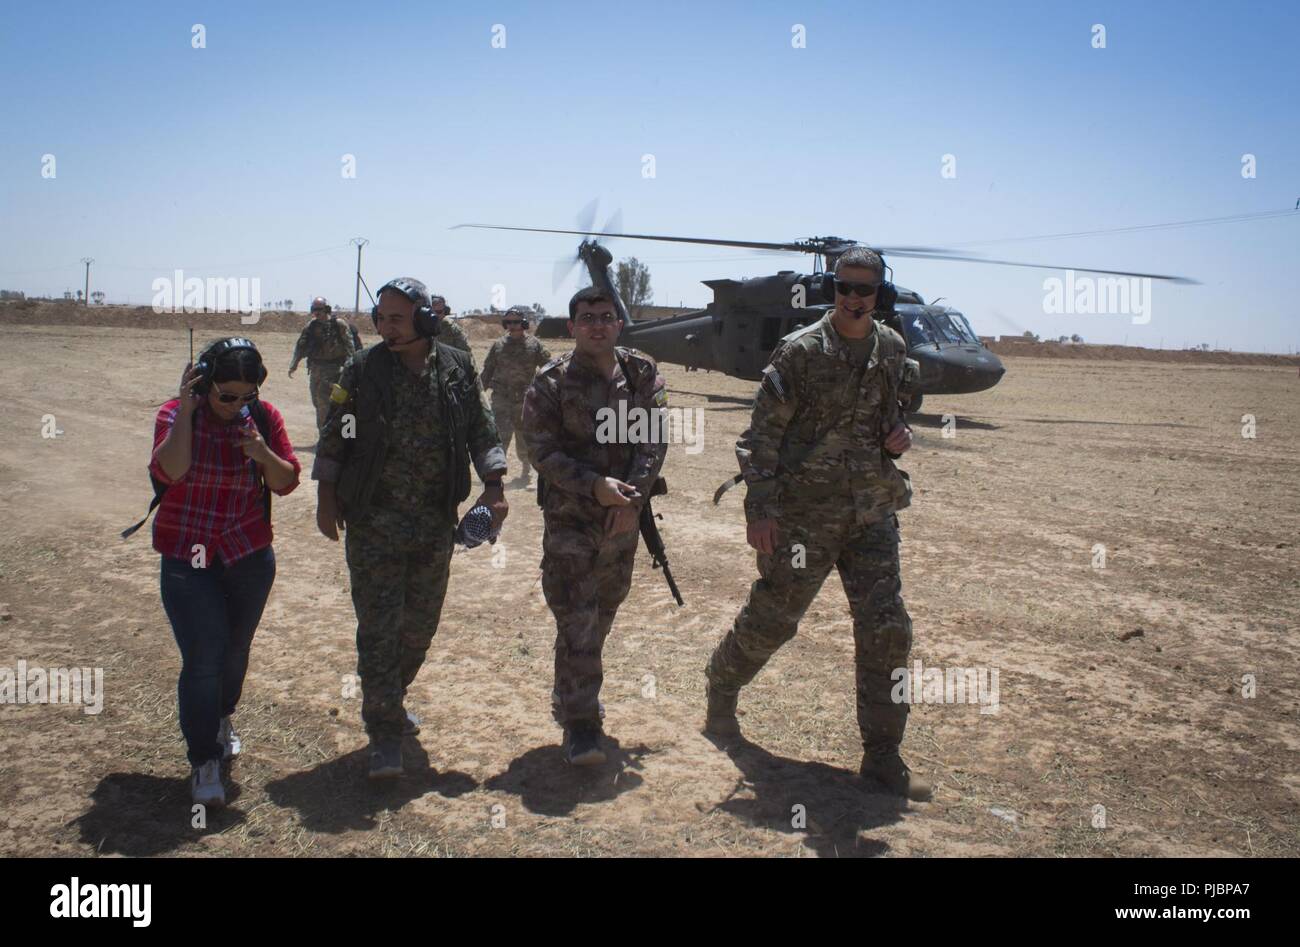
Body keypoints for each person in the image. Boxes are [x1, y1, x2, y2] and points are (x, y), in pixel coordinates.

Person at [702, 245, 932, 801]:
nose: (854, 298)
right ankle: (722, 688)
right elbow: (761, 438)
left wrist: (898, 437)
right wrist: (760, 511)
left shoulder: (893, 349)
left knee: (887, 630)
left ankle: (883, 757)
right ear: (833, 291)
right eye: (844, 288)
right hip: (806, 516)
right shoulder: (800, 352)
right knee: (774, 618)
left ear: (880, 295)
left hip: (872, 512)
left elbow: (890, 423)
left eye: (865, 289)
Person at [312, 277, 508, 779]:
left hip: (435, 523)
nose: (385, 327)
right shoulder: (361, 370)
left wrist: (494, 484)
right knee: (379, 628)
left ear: (425, 318)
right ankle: (383, 731)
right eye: (381, 318)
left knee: (419, 627)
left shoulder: (457, 367)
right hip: (373, 521)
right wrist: (326, 494)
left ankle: (390, 701)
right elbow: (338, 433)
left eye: (397, 318)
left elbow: (480, 429)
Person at [150, 338, 300, 807]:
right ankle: (203, 759)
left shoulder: (263, 419)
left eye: (246, 395)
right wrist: (189, 415)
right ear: (203, 383)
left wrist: (262, 453)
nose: (236, 405)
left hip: (247, 556)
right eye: (226, 395)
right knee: (204, 656)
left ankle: (222, 716)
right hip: (187, 556)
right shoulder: (175, 414)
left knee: (235, 650)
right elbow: (170, 471)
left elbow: (286, 481)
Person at [522, 286, 668, 766]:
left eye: (606, 316)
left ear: (619, 323)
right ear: (572, 327)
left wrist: (634, 495)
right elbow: (541, 452)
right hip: (571, 520)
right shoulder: (551, 381)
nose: (597, 325)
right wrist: (594, 486)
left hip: (623, 520)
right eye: (587, 318)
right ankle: (583, 725)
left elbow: (653, 438)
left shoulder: (640, 372)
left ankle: (569, 692)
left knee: (602, 612)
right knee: (578, 619)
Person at [481, 307, 552, 489]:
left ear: (524, 323)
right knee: (499, 437)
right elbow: (487, 371)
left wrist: (550, 391)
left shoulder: (534, 345)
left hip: (524, 400)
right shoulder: (498, 345)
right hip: (501, 398)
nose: (512, 326)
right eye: (509, 322)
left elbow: (549, 368)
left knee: (524, 438)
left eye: (516, 322)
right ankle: (495, 476)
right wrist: (477, 392)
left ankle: (526, 472)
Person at [289, 296, 358, 430]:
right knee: (317, 402)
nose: (316, 312)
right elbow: (301, 346)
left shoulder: (339, 325)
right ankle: (329, 433)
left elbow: (350, 347)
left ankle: (326, 435)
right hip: (316, 372)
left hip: (334, 371)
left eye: (319, 309)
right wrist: (294, 364)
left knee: (324, 404)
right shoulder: (310, 327)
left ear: (326, 309)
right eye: (313, 309)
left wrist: (351, 367)